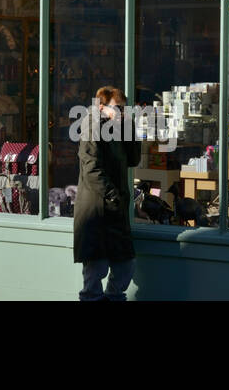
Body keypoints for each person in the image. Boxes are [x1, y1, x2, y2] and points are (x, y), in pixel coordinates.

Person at [73, 85, 142, 300]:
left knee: (125, 267)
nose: (122, 112)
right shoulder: (91, 126)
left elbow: (133, 159)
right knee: (96, 271)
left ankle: (112, 297)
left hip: (115, 209)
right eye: (117, 107)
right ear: (101, 107)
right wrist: (113, 196)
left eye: (124, 108)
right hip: (97, 209)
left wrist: (129, 128)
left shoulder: (118, 126)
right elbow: (91, 168)